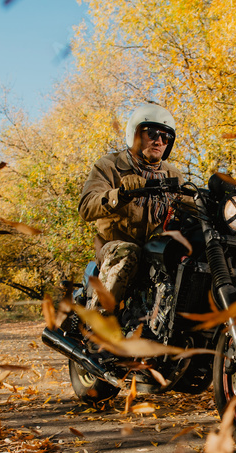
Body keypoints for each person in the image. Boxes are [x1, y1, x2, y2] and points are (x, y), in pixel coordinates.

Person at [78, 102, 187, 314]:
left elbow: (190, 208)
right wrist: (120, 195)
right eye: (152, 133)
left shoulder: (174, 175)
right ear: (135, 134)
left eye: (166, 137)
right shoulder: (109, 165)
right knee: (128, 252)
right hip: (115, 248)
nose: (159, 141)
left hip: (157, 251)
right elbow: (86, 207)